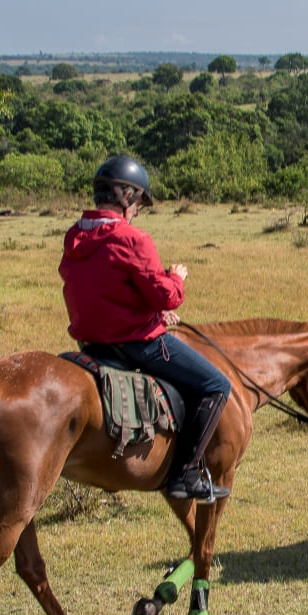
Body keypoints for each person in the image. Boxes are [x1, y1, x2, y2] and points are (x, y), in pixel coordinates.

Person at [59, 155, 234, 502]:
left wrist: (150, 312)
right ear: (126, 197)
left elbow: (108, 289)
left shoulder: (74, 236)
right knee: (216, 384)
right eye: (138, 201)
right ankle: (184, 476)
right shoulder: (132, 238)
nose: (138, 209)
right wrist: (176, 277)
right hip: (138, 344)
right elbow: (166, 296)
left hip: (93, 345)